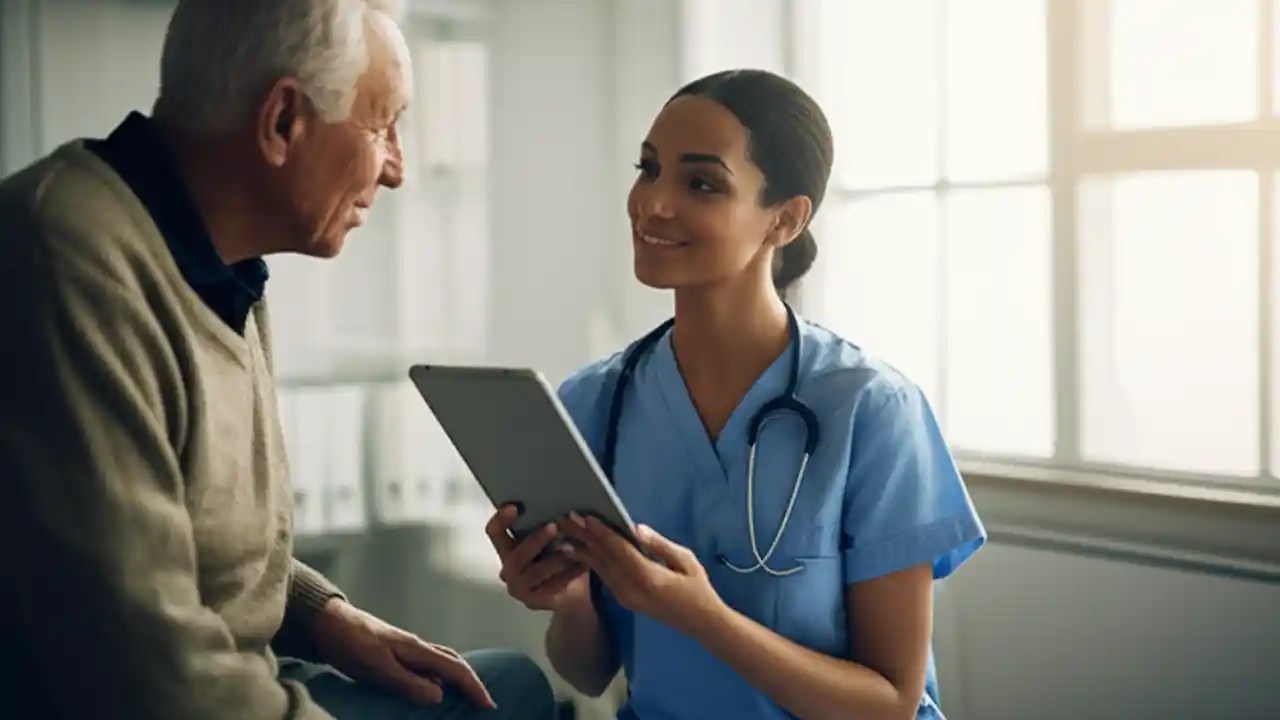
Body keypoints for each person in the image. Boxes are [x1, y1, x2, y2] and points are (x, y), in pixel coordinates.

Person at [0, 1, 554, 718]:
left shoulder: (219, 264)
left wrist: (327, 618)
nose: (397, 170)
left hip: (238, 680)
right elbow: (148, 675)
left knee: (509, 687)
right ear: (284, 121)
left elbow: (188, 536)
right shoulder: (63, 262)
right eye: (382, 124)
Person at [486, 69, 986, 720]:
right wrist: (570, 596)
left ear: (785, 219)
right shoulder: (595, 403)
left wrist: (702, 617)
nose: (654, 203)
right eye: (648, 168)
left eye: (700, 182)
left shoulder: (870, 409)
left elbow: (889, 702)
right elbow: (589, 671)